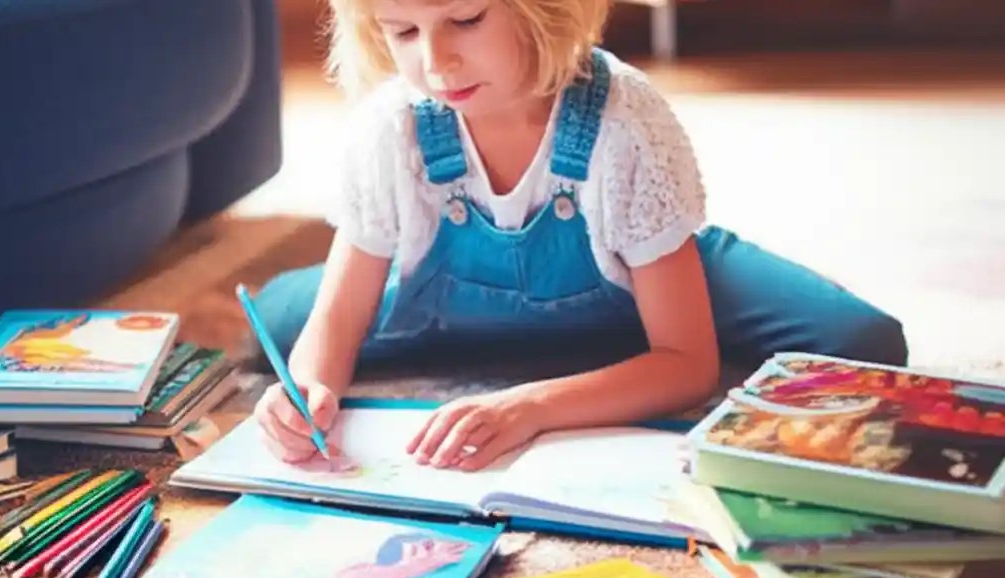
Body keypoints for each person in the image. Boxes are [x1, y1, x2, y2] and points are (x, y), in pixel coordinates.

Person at [252, 0, 908, 471]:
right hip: (447, 309)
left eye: (467, 19)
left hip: (633, 267)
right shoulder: (391, 126)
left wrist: (530, 406)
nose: (435, 61)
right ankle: (613, 354)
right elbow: (332, 330)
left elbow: (690, 365)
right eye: (402, 31)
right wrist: (302, 394)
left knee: (860, 343)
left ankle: (638, 320)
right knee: (281, 327)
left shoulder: (626, 118)